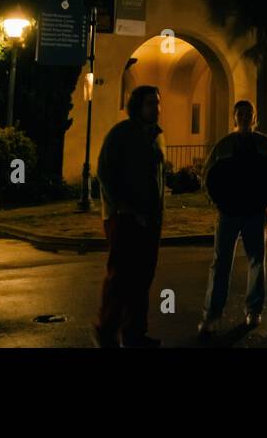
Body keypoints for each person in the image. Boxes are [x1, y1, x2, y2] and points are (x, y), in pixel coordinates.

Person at [198, 100, 267, 335]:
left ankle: (253, 310)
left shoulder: (264, 145)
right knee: (221, 263)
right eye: (241, 114)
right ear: (235, 118)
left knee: (256, 261)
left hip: (255, 212)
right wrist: (216, 200)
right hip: (228, 213)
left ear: (254, 118)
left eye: (249, 114)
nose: (245, 118)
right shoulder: (224, 145)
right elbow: (208, 174)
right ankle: (212, 315)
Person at [93, 86, 165, 348]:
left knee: (143, 277)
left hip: (151, 220)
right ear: (137, 106)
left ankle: (135, 332)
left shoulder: (157, 137)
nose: (155, 108)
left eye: (157, 103)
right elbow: (104, 172)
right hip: (124, 218)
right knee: (121, 277)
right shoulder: (121, 134)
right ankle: (107, 332)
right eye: (149, 104)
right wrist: (123, 207)